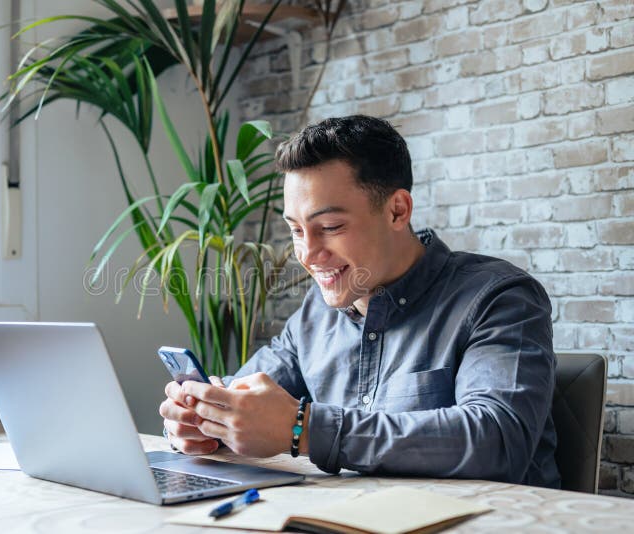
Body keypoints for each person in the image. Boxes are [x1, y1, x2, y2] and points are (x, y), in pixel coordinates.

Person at [159, 115, 560, 488]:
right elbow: (244, 402)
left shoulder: (498, 297)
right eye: (297, 230)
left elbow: (498, 440)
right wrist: (200, 421)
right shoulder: (315, 316)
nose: (308, 254)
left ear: (397, 210)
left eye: (330, 227)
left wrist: (303, 428)